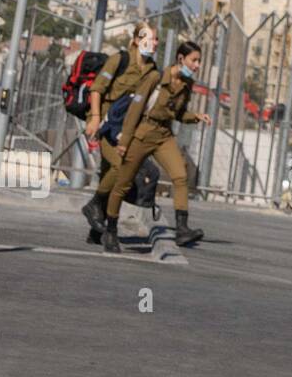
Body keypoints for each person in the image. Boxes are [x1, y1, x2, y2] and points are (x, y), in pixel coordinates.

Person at [101, 40, 211, 253]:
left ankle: (182, 228)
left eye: (199, 61)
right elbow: (135, 109)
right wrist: (124, 142)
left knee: (180, 175)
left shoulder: (187, 85)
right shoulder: (156, 78)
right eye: (194, 60)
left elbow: (177, 113)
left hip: (163, 135)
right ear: (181, 59)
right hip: (142, 133)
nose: (197, 65)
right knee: (122, 183)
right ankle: (110, 230)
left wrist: (196, 117)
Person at [80, 22, 158, 242]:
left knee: (108, 173)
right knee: (119, 166)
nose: (152, 42)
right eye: (146, 37)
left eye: (155, 38)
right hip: (106, 121)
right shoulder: (120, 60)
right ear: (135, 39)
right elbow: (97, 90)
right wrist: (94, 119)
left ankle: (96, 231)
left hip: (125, 126)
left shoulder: (152, 70)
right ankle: (94, 204)